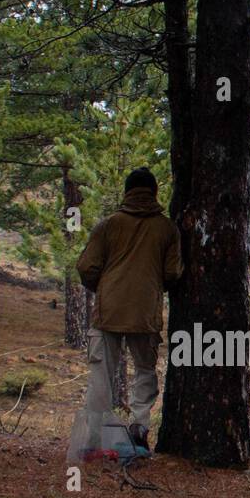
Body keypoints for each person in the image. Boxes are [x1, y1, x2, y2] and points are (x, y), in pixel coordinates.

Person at [72, 167, 182, 456]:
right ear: (154, 192)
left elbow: (86, 267)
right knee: (144, 371)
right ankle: (139, 430)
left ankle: (94, 440)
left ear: (127, 192)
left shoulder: (107, 225)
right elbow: (173, 273)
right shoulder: (167, 229)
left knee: (101, 375)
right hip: (145, 313)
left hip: (108, 311)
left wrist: (104, 288)